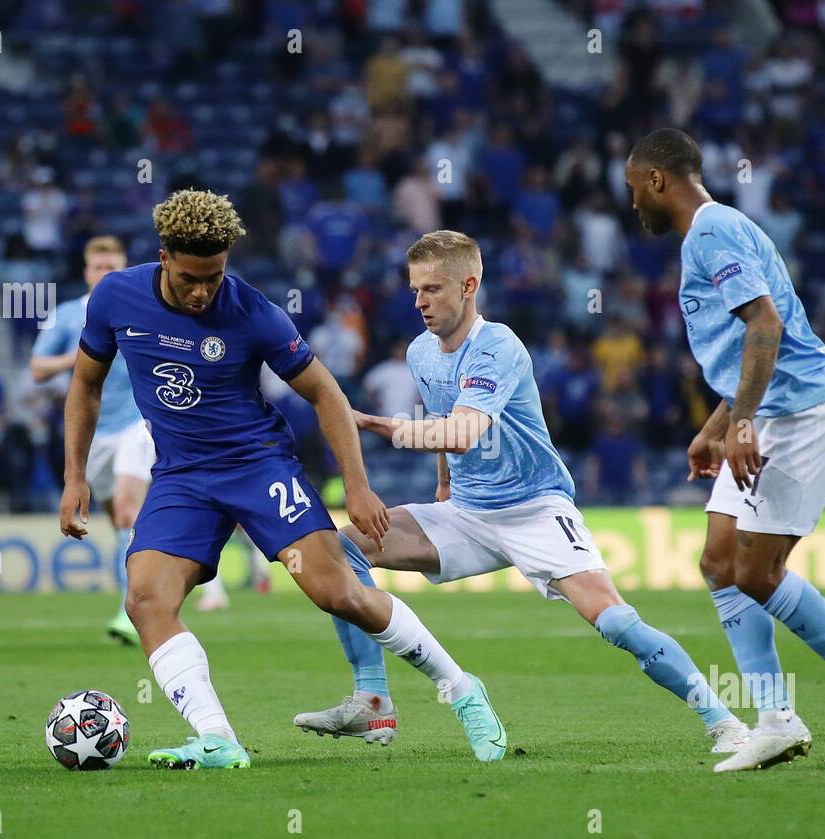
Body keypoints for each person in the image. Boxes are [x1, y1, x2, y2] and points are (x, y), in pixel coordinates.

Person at [59, 190, 506, 769]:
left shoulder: (251, 311)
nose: (203, 292)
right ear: (165, 257)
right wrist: (75, 477)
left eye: (215, 277)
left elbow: (326, 394)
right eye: (192, 278)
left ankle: (463, 690)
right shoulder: (115, 298)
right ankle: (218, 740)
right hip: (182, 477)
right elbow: (85, 386)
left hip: (257, 467)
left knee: (337, 593)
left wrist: (358, 486)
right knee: (146, 600)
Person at [292, 231, 749, 755]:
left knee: (617, 621)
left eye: (433, 289)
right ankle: (372, 701)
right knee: (338, 550)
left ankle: (724, 721)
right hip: (465, 512)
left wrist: (369, 423)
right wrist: (443, 483)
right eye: (415, 289)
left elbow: (464, 432)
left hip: (535, 508)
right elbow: (445, 418)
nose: (419, 302)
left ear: (469, 285)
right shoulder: (422, 351)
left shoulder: (498, 346)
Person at [624, 128, 825, 772]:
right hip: (768, 411)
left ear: (658, 179)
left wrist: (742, 424)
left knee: (756, 574)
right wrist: (719, 425)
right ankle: (776, 720)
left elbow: (766, 324)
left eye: (633, 187)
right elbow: (753, 342)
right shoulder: (717, 230)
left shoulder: (712, 233)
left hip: (800, 414)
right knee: (719, 562)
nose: (633, 202)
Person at [32, 236, 152, 644]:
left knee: (125, 508)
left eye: (112, 267)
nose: (105, 274)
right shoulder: (66, 316)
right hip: (93, 433)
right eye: (98, 267)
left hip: (137, 424)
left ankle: (130, 609)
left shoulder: (142, 308)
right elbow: (36, 368)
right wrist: (82, 355)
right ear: (86, 272)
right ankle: (142, 590)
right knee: (115, 518)